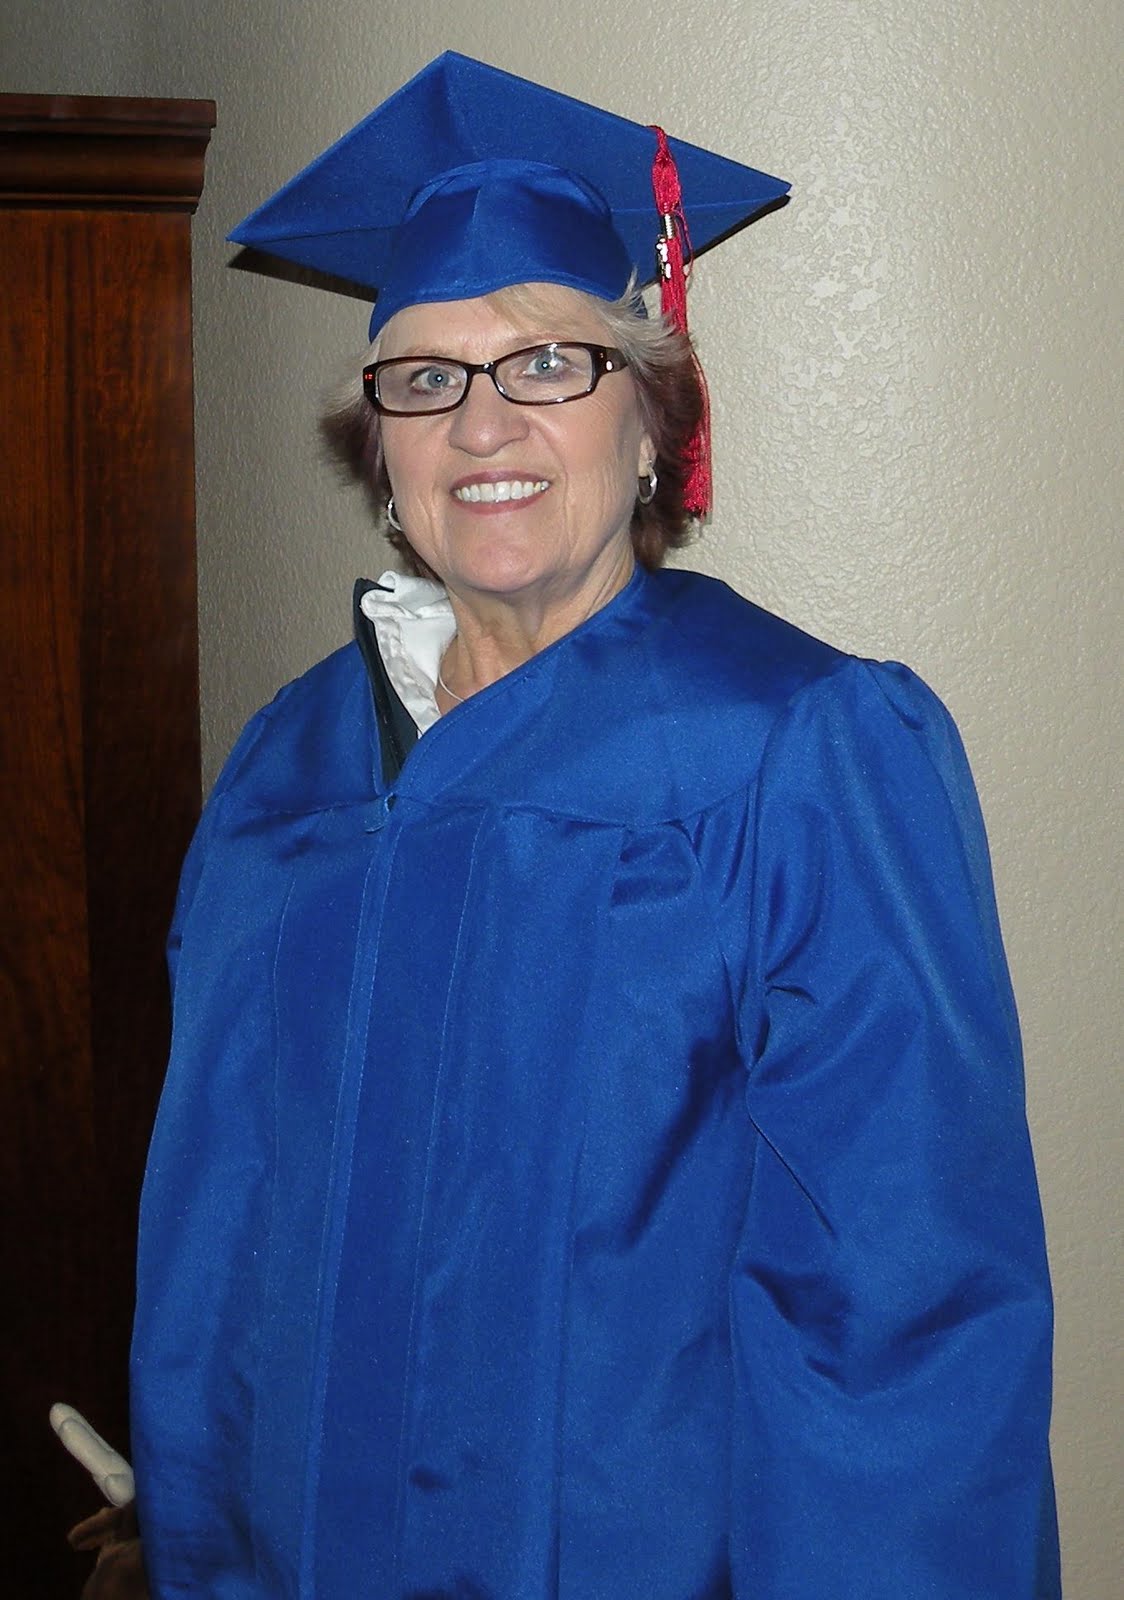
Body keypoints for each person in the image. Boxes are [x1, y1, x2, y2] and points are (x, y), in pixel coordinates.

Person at [129, 52, 1060, 1600]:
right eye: (423, 377)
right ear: (382, 453)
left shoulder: (800, 749)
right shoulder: (284, 772)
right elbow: (214, 1249)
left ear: (650, 421)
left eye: (549, 362)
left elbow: (901, 1324)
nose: (482, 423)